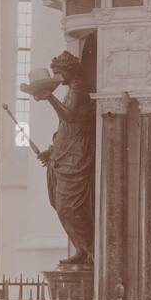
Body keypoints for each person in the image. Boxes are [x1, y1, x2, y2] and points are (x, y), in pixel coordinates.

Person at [36, 51, 95, 267]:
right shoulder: (71, 89)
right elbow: (66, 126)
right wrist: (51, 151)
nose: (58, 78)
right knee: (61, 205)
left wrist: (49, 97)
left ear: (70, 70)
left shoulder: (79, 88)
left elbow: (69, 116)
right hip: (64, 153)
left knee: (67, 207)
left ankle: (91, 251)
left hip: (76, 156)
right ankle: (83, 249)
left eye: (60, 73)